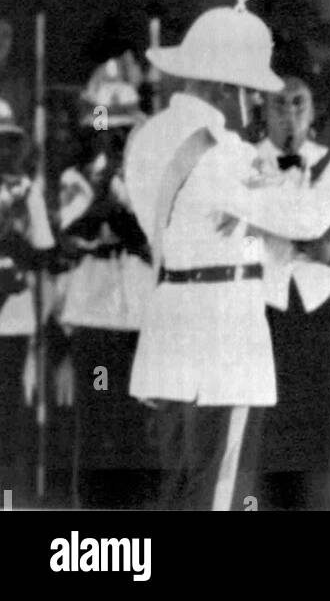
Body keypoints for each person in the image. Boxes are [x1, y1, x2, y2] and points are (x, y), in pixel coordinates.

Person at [124, 0, 330, 511]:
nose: (258, 104)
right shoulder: (220, 150)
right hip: (222, 333)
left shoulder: (147, 137)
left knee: (177, 488)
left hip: (170, 318)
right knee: (219, 491)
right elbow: (303, 218)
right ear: (226, 88)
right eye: (253, 92)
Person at [253, 76, 330, 510]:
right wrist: (304, 239)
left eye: (299, 103)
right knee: (270, 433)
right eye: (278, 104)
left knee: (321, 432)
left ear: (313, 109)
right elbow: (249, 236)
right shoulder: (245, 165)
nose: (290, 114)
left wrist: (283, 232)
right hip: (266, 310)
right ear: (263, 109)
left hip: (320, 313)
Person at [57, 64, 154, 509]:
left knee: (138, 424)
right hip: (95, 322)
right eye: (103, 134)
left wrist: (124, 210)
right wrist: (103, 199)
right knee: (97, 423)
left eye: (120, 135)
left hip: (139, 320)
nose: (111, 144)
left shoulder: (149, 183)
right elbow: (70, 235)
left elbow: (152, 239)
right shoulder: (75, 182)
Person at [0, 101, 57, 500]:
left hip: (14, 315)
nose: (3, 150)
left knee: (8, 403)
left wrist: (22, 247)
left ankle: (6, 494)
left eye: (9, 142)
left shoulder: (26, 190)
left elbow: (46, 251)